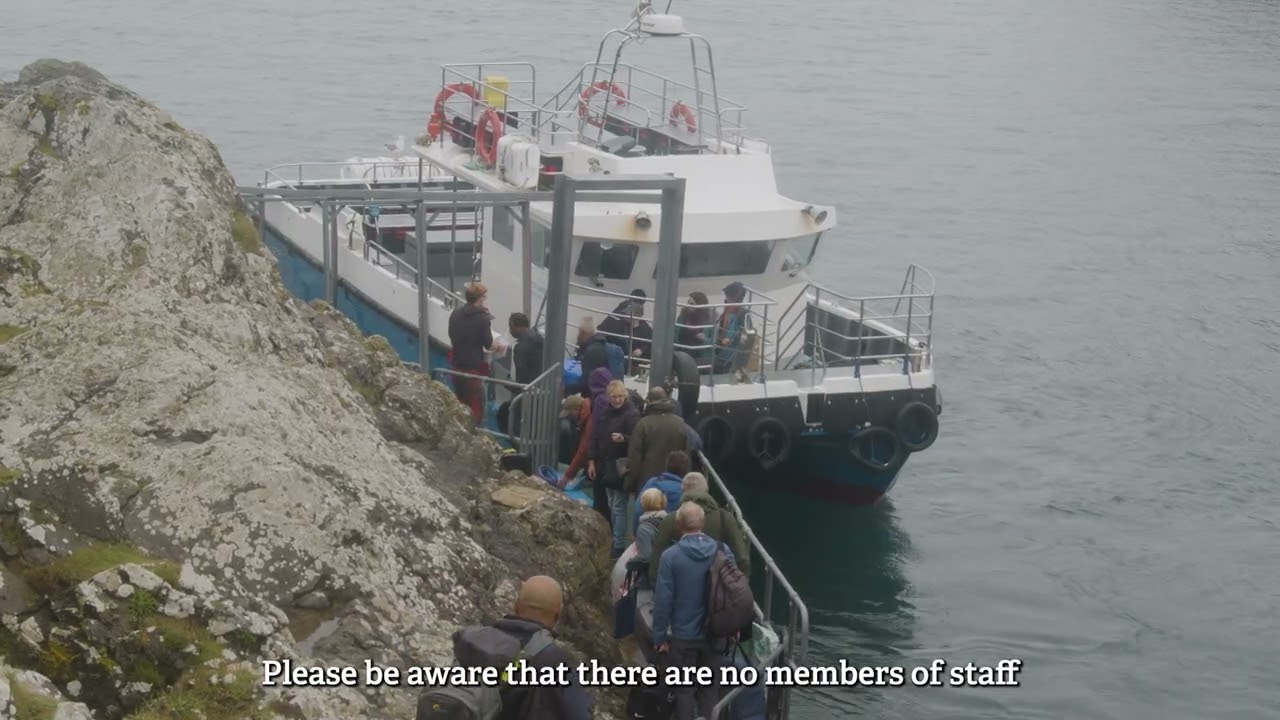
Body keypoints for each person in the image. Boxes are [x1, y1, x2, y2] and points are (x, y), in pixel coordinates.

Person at [652, 503, 737, 720]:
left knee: (684, 690)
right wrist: (734, 627)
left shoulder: (670, 557)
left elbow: (663, 600)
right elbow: (733, 591)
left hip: (683, 636)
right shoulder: (723, 551)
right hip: (715, 633)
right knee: (710, 690)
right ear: (704, 523)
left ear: (679, 525)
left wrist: (659, 636)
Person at [488, 575, 593, 720]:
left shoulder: (477, 642)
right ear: (557, 615)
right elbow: (580, 715)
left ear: (516, 605)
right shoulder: (558, 661)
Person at [648, 471, 751, 587]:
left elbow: (656, 563)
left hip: (682, 592)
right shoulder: (725, 518)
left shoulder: (670, 520)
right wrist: (739, 587)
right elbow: (742, 559)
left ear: (683, 491)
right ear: (706, 490)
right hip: (717, 593)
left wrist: (656, 588)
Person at [589, 379, 640, 558]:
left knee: (618, 505)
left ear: (624, 396)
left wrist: (624, 439)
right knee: (611, 503)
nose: (617, 400)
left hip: (621, 465)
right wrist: (591, 461)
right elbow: (595, 437)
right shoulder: (604, 413)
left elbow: (637, 439)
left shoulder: (632, 414)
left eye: (620, 396)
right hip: (606, 464)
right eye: (614, 397)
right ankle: (616, 540)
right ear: (608, 397)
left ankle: (618, 544)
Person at [447, 282, 504, 425]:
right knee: (475, 405)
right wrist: (499, 347)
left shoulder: (456, 313)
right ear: (480, 298)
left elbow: (452, 334)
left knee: (460, 400)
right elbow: (488, 344)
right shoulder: (483, 319)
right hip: (472, 368)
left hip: (457, 364)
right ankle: (473, 434)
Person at [625, 387, 689, 506]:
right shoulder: (680, 423)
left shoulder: (643, 424)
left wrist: (630, 484)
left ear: (649, 402)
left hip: (647, 484)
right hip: (674, 483)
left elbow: (634, 458)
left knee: (646, 518)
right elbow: (686, 454)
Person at [581, 367, 614, 519]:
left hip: (602, 455)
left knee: (600, 495)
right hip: (614, 455)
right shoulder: (616, 399)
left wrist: (591, 459)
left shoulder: (600, 400)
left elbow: (595, 431)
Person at [633, 451, 690, 528]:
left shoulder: (651, 482)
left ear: (667, 466)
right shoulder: (683, 491)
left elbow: (637, 510)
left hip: (643, 531)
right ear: (686, 470)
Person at [598, 289, 653, 368]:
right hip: (617, 353)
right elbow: (603, 329)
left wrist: (642, 350)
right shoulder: (619, 315)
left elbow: (651, 341)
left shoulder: (644, 327)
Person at [708, 281, 751, 379]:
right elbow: (722, 327)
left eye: (729, 298)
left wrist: (730, 340)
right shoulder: (727, 308)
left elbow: (743, 334)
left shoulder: (743, 314)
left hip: (731, 355)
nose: (726, 300)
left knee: (726, 374)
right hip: (721, 351)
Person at [571, 317, 610, 396]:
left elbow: (587, 381)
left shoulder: (592, 351)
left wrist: (566, 389)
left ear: (583, 333)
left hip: (594, 395)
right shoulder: (598, 345)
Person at [633, 488, 670, 567]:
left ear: (643, 503)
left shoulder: (643, 529)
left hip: (653, 571)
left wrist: (630, 563)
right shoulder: (670, 520)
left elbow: (645, 558)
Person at [676, 291, 712, 368]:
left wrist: (704, 338)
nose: (688, 305)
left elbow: (713, 342)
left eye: (691, 304)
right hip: (684, 348)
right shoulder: (683, 314)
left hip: (700, 351)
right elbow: (676, 333)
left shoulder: (709, 318)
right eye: (688, 303)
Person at [508, 312, 544, 385]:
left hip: (531, 387)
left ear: (518, 327)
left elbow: (521, 376)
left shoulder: (520, 348)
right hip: (543, 380)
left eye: (511, 327)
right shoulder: (538, 336)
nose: (510, 331)